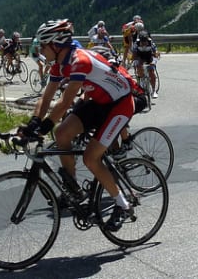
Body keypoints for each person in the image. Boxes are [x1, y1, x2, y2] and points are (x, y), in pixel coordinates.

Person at [20, 19, 137, 232]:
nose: (40, 51)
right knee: (62, 133)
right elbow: (44, 99)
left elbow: (64, 102)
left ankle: (123, 203)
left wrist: (41, 129)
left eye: (43, 46)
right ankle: (73, 188)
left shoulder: (80, 61)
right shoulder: (59, 64)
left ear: (56, 45)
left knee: (90, 157)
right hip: (98, 102)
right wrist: (32, 124)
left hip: (119, 104)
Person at [131, 28, 159, 98]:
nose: (143, 43)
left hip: (149, 57)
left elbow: (156, 53)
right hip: (140, 57)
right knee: (139, 67)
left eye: (145, 41)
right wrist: (135, 62)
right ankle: (142, 79)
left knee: (151, 72)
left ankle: (153, 90)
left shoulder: (151, 43)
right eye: (142, 42)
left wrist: (154, 61)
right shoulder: (136, 44)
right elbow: (134, 55)